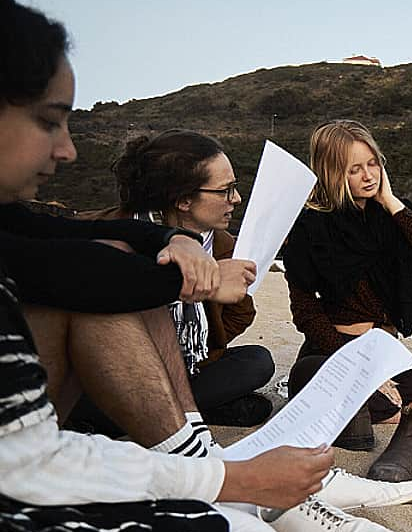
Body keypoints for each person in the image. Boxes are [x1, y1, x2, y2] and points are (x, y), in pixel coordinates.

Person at [0, 0, 329, 532]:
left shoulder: (111, 239)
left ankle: (216, 463)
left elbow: (44, 238)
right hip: (44, 503)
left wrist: (204, 278)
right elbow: (28, 459)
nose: (67, 150)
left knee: (243, 368)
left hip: (108, 426)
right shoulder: (140, 249)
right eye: (50, 120)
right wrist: (190, 276)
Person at [283, 119, 412, 482]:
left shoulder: (392, 215)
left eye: (373, 163)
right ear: (333, 173)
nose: (368, 175)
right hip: (337, 353)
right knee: (305, 376)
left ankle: (376, 410)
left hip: (389, 357)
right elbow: (304, 309)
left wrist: (391, 202)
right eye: (355, 169)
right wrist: (358, 367)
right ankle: (390, 408)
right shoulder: (310, 226)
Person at [71, 130, 274, 430]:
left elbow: (241, 314)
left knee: (257, 362)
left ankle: (154, 414)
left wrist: (199, 347)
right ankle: (188, 410)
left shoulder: (221, 244)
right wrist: (199, 284)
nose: (236, 198)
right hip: (116, 372)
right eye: (226, 190)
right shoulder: (110, 232)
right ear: (183, 200)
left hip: (185, 368)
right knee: (84, 398)